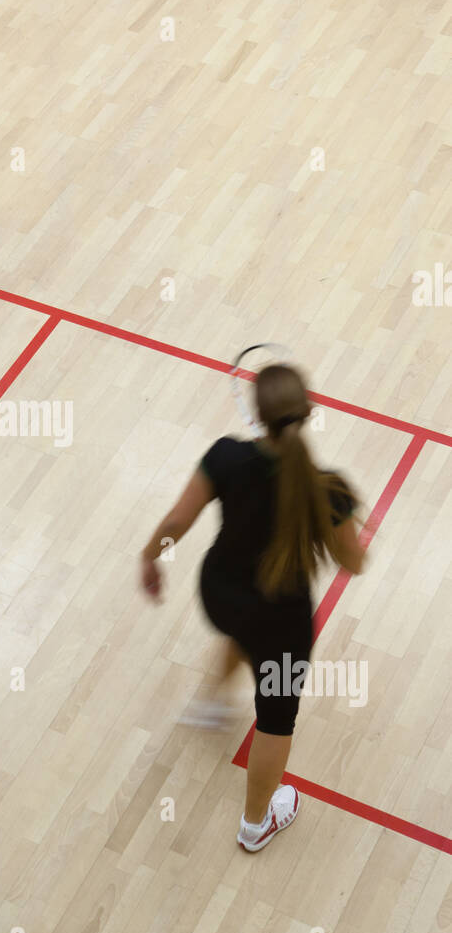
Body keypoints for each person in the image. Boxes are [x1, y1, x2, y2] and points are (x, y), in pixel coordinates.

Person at [140, 363, 366, 852]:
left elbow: (178, 521)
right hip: (281, 630)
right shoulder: (329, 491)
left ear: (257, 415)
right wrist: (351, 526)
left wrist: (149, 556)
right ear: (306, 413)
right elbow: (355, 562)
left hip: (219, 594)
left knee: (242, 637)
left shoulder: (225, 457)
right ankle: (255, 825)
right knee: (275, 722)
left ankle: (210, 705)